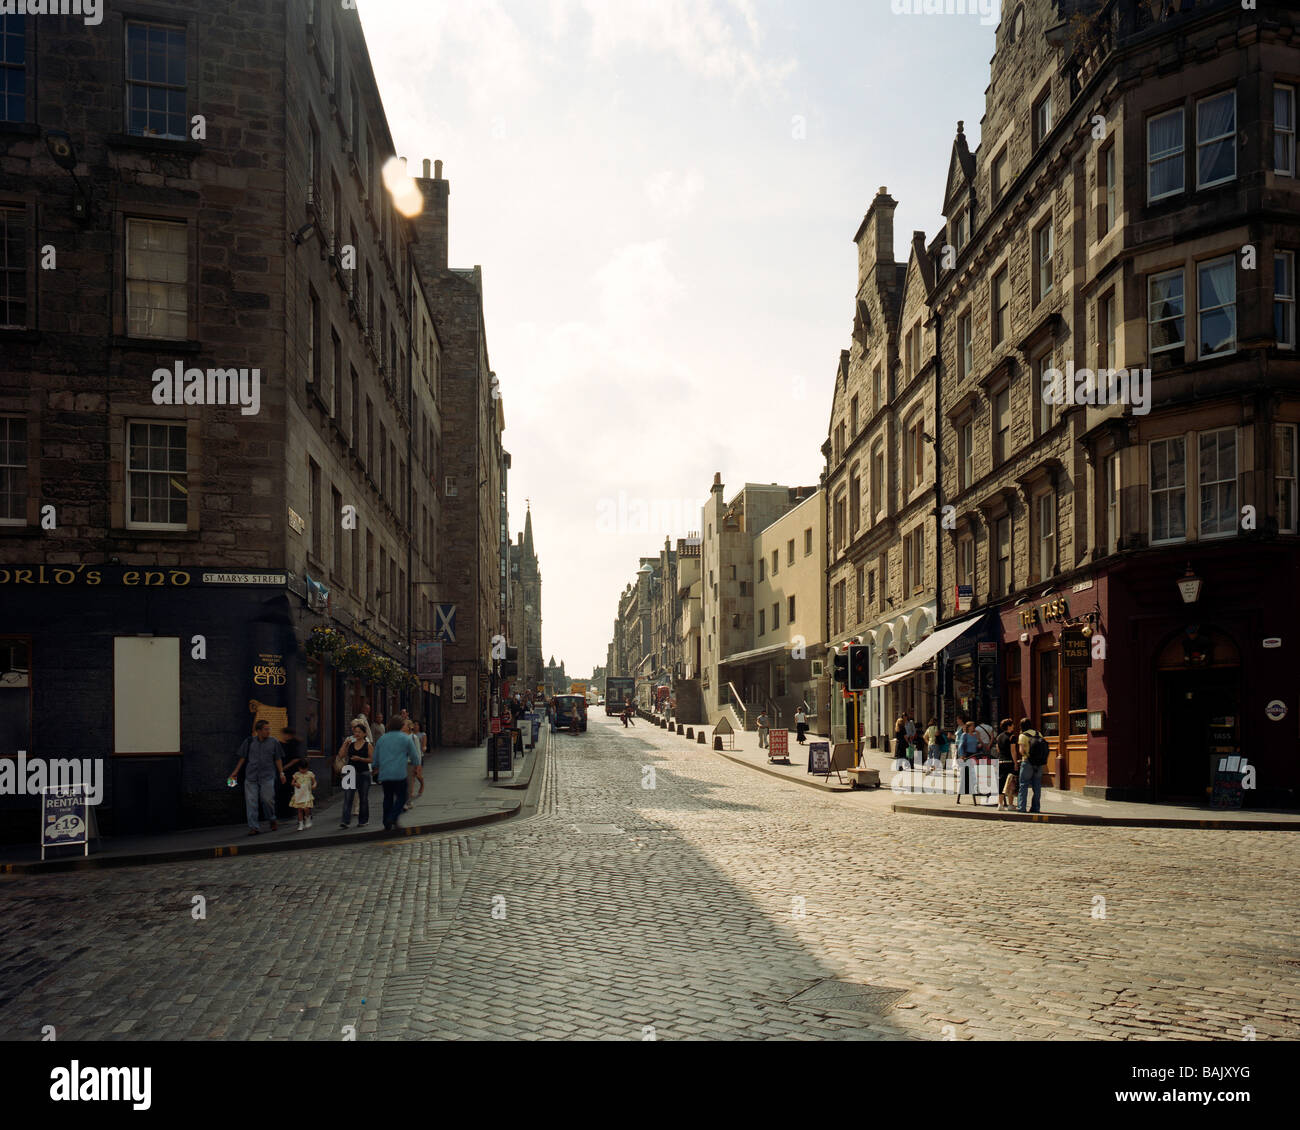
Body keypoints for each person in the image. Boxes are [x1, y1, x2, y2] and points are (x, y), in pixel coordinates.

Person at [230, 719, 286, 835]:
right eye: (266, 729)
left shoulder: (274, 742)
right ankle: (254, 827)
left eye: (269, 729)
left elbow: (278, 758)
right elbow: (243, 758)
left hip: (267, 776)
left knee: (268, 799)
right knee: (251, 802)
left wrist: (281, 773)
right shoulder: (249, 741)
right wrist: (235, 772)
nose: (268, 731)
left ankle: (272, 819)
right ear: (258, 731)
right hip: (251, 776)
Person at [374, 719, 423, 830]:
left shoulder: (382, 739)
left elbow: (376, 757)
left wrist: (375, 767)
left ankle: (387, 823)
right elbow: (414, 756)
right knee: (402, 797)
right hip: (399, 773)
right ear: (400, 726)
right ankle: (392, 817)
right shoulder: (405, 738)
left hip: (385, 774)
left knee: (388, 798)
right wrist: (417, 765)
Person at [337, 721, 373, 829]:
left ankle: (363, 820)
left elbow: (372, 759)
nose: (356, 734)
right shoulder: (350, 744)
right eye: (355, 731)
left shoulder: (368, 745)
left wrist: (360, 759)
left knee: (363, 798)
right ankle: (345, 821)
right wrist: (345, 744)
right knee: (348, 797)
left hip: (364, 773)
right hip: (350, 772)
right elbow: (341, 755)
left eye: (359, 732)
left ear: (364, 734)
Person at [276, 727, 307, 819]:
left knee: (293, 792)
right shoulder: (283, 744)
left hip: (292, 772)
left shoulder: (293, 744)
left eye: (284, 734)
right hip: (287, 772)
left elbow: (296, 758)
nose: (283, 736)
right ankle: (286, 813)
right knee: (286, 792)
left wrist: (284, 767)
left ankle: (300, 813)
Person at [1018, 716, 1045, 814]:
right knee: (1037, 786)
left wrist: (1026, 754)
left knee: (1023, 785)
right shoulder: (1039, 734)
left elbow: (1021, 751)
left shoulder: (1022, 735)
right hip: (1038, 763)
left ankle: (1022, 807)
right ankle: (1036, 808)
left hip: (1027, 762)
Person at [954, 720, 982, 804]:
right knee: (966, 775)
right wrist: (962, 756)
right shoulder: (964, 735)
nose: (974, 728)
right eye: (972, 726)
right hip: (967, 755)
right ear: (968, 727)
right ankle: (965, 791)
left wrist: (979, 744)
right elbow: (961, 745)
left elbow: (976, 744)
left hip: (974, 755)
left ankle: (976, 789)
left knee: (974, 774)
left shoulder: (974, 735)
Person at [995, 718, 1016, 811]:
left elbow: (998, 749)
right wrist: (1015, 762)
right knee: (1011, 783)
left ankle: (1000, 804)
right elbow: (1013, 751)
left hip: (1000, 761)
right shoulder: (1012, 737)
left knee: (1001, 782)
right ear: (1008, 726)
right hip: (1009, 762)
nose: (1013, 726)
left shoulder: (999, 737)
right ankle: (1010, 805)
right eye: (1012, 725)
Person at [404, 720, 425, 812]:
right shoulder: (400, 737)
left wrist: (418, 765)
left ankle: (407, 802)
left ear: (409, 727)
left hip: (410, 763)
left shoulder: (413, 737)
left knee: (409, 782)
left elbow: (418, 752)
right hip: (401, 763)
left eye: (404, 725)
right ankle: (404, 801)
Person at [290, 758, 317, 830]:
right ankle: (301, 823)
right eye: (302, 769)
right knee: (299, 810)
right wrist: (296, 784)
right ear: (299, 768)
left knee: (306, 808)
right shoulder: (296, 775)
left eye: (305, 769)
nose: (303, 771)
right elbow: (292, 783)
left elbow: (314, 782)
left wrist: (314, 785)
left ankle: (307, 819)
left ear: (307, 768)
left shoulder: (310, 774)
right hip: (299, 795)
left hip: (307, 794)